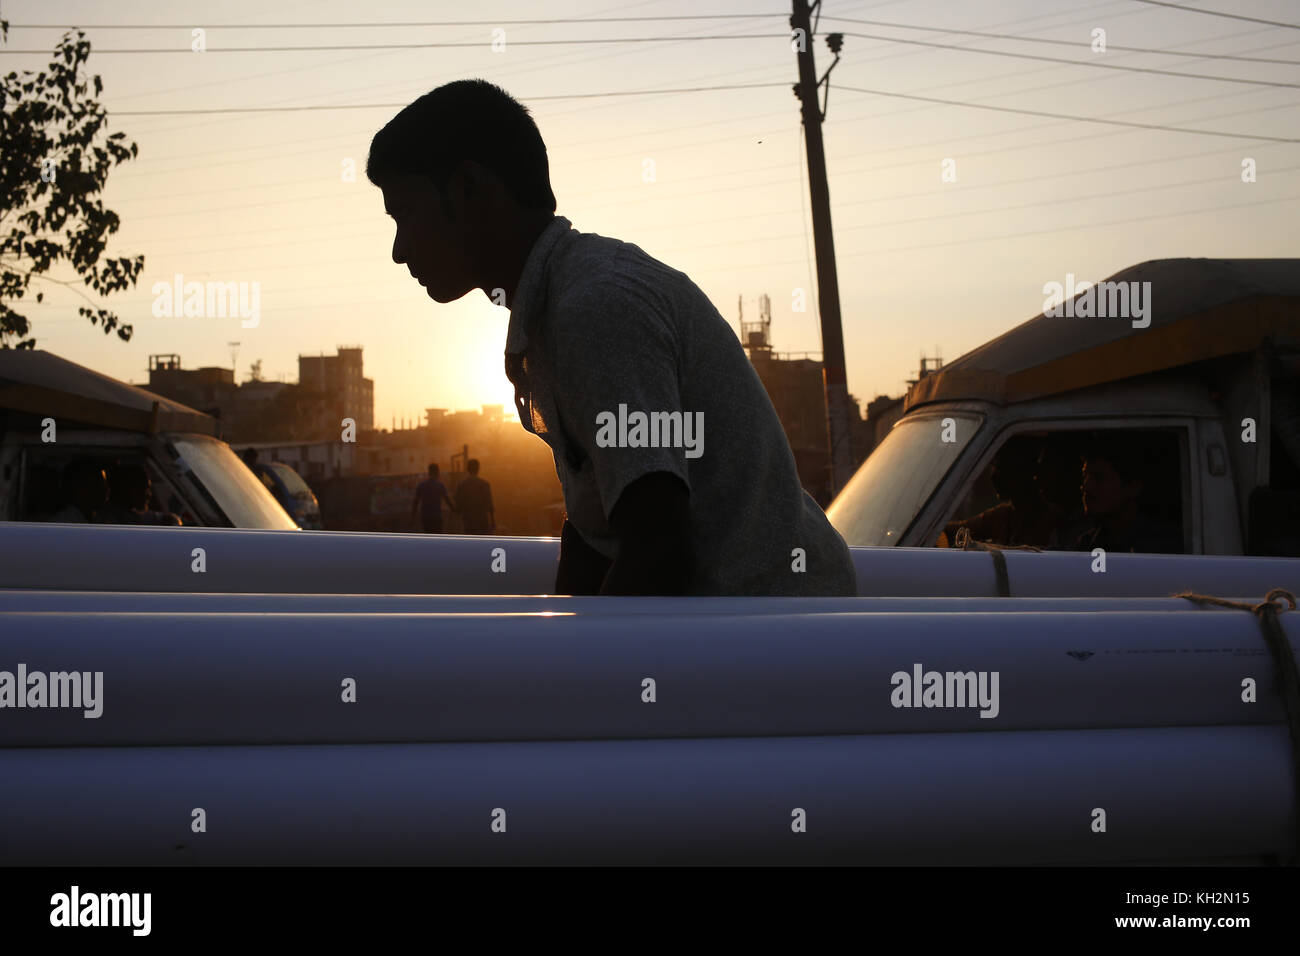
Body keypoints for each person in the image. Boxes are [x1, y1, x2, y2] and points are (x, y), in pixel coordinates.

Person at [367, 79, 857, 596]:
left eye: (405, 216)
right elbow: (600, 531)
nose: (400, 251)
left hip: (779, 636)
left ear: (469, 190)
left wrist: (574, 667)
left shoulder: (595, 311)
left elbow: (659, 553)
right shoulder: (560, 307)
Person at [1073, 437, 1182, 554]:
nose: (1086, 487)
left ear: (1133, 488)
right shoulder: (1088, 543)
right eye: (1085, 477)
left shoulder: (1160, 547)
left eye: (1098, 478)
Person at [101, 462, 182, 526]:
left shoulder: (129, 514)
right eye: (144, 489)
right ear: (128, 489)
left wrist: (168, 519)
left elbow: (154, 517)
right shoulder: (109, 521)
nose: (149, 495)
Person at [45, 458, 109, 523]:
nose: (106, 489)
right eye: (98, 484)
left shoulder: (100, 519)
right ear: (81, 488)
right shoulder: (63, 523)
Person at [411, 463, 454, 534]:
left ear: (429, 472)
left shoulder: (421, 486)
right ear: (437, 472)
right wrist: (454, 510)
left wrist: (412, 518)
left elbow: (415, 502)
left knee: (428, 538)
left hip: (425, 517)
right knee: (438, 539)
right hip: (437, 517)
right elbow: (447, 500)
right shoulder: (440, 485)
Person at [454, 458, 495, 534]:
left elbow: (458, 508)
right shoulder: (485, 484)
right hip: (482, 521)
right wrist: (493, 521)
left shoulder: (462, 486)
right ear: (478, 469)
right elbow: (490, 505)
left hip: (468, 522)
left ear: (467, 469)